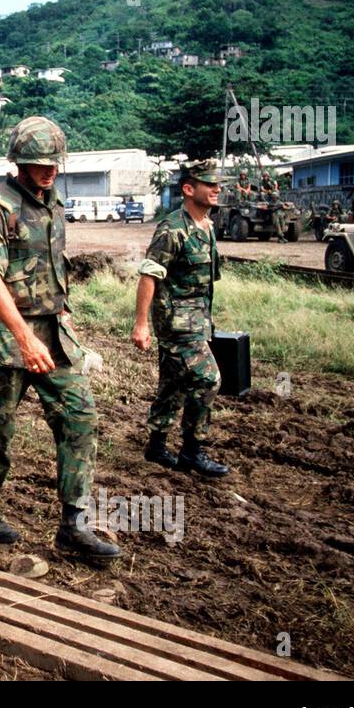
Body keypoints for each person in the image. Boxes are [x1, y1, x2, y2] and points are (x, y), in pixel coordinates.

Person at [0, 117, 119, 564]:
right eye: (38, 163)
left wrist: (64, 318)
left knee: (80, 418)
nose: (48, 170)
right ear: (18, 163)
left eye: (53, 163)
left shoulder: (54, 204)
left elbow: (53, 269)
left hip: (54, 333)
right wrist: (24, 338)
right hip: (7, 338)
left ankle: (74, 524)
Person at [132, 159, 230, 478]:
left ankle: (157, 446)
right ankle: (192, 450)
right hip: (177, 323)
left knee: (173, 384)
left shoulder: (207, 225)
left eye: (218, 184)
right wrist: (141, 324)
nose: (217, 189)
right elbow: (149, 275)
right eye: (210, 184)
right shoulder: (173, 228)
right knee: (207, 379)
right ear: (189, 189)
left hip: (196, 319)